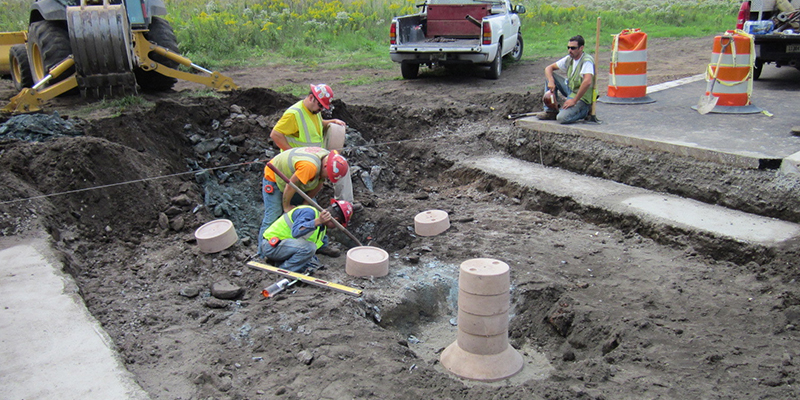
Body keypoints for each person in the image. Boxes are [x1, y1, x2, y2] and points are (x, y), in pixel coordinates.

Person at [269, 84, 353, 202]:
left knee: (341, 165)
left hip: (316, 157)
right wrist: (292, 153)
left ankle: (344, 204)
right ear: (311, 98)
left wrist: (331, 121)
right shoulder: (294, 114)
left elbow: (317, 124)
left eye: (323, 107)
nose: (321, 109)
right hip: (302, 163)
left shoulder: (313, 111)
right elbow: (275, 134)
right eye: (320, 105)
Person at [259, 146, 348, 248]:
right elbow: (290, 186)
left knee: (316, 213)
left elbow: (319, 183)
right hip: (275, 176)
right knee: (273, 215)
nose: (328, 178)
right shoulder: (309, 167)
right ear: (325, 166)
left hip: (297, 180)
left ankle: (322, 245)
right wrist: (286, 207)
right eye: (328, 175)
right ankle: (262, 251)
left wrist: (305, 204)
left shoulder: (331, 159)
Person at [258, 199, 354, 273]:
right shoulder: (309, 212)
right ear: (335, 219)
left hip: (283, 247)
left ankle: (276, 262)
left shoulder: (321, 228)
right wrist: (317, 221)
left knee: (313, 263)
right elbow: (296, 232)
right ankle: (283, 271)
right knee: (309, 248)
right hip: (271, 245)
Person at [537, 35, 595, 124]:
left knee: (562, 118)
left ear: (581, 48)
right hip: (570, 89)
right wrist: (551, 81)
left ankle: (584, 111)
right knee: (550, 76)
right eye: (568, 47)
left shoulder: (587, 61)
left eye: (573, 48)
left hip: (582, 97)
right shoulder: (569, 58)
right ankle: (550, 111)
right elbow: (548, 68)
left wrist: (574, 100)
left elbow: (587, 82)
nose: (570, 50)